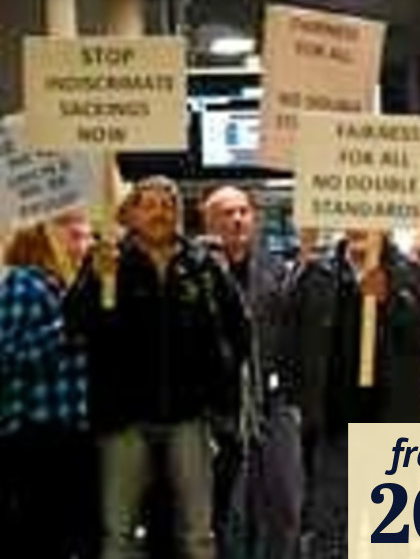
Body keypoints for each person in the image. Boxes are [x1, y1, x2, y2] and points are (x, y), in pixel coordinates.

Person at [66, 176, 251, 559]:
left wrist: (217, 387)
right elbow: (74, 327)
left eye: (168, 205)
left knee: (199, 534)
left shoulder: (202, 265)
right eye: (149, 205)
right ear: (131, 213)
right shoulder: (107, 261)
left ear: (180, 214)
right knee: (120, 533)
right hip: (123, 417)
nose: (159, 212)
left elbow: (239, 328)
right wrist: (94, 282)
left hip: (189, 417)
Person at [287, 230, 420, 558]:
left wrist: (392, 300)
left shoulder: (413, 274)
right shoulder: (316, 272)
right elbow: (291, 337)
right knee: (329, 532)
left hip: (395, 427)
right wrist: (298, 403)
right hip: (334, 428)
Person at [202, 186, 301, 559]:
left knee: (284, 501)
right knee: (231, 510)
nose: (238, 219)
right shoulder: (195, 272)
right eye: (227, 213)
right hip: (218, 408)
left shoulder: (277, 270)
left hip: (275, 401)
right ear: (209, 220)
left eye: (244, 211)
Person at [0, 211, 95, 558]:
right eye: (76, 236)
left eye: (88, 237)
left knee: (71, 534)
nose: (85, 246)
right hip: (36, 432)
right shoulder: (23, 283)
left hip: (74, 428)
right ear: (44, 239)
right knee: (38, 534)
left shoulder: (70, 288)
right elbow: (9, 354)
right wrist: (67, 327)